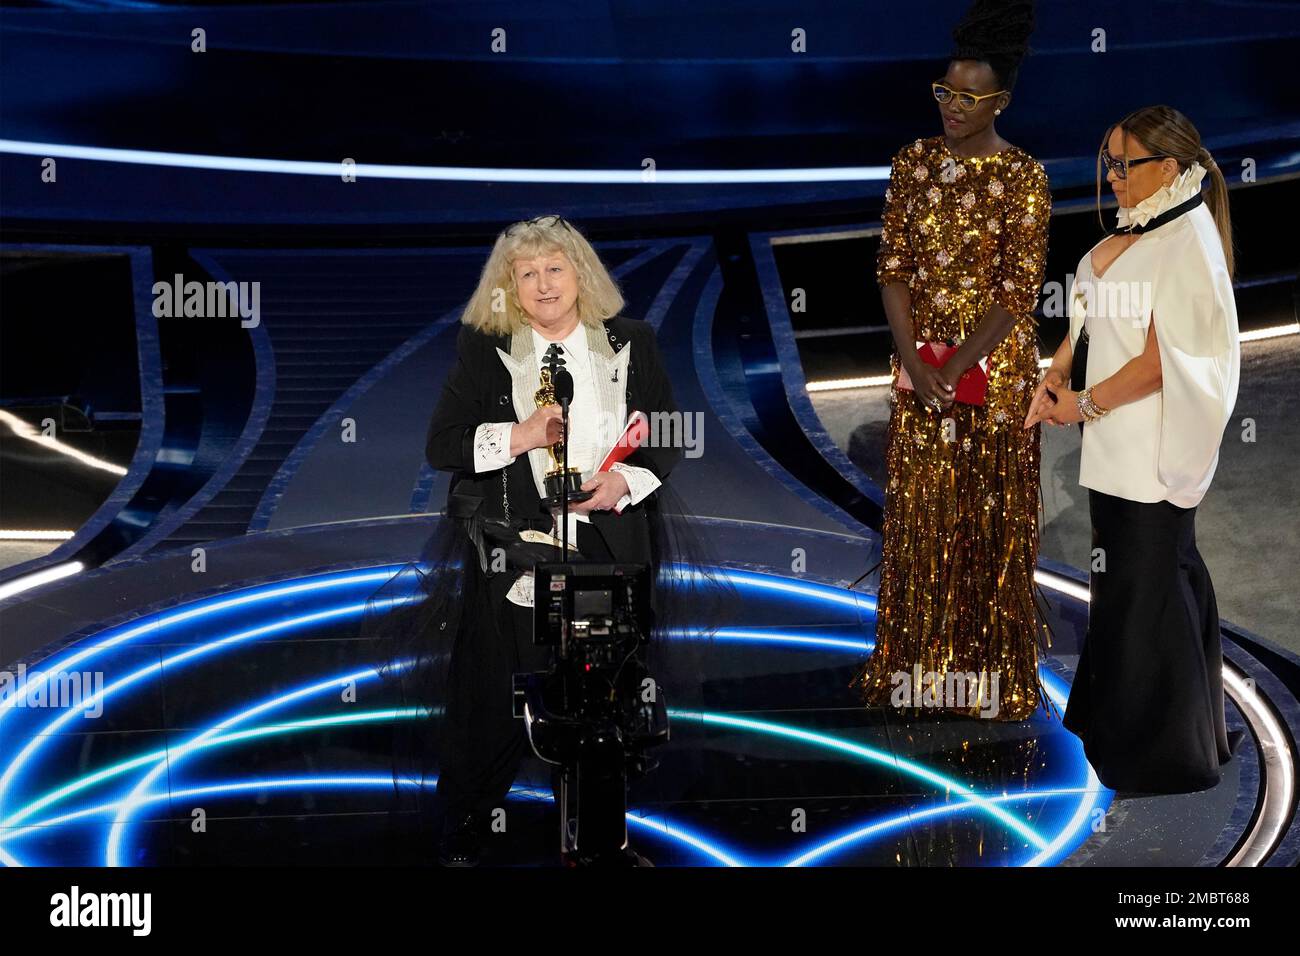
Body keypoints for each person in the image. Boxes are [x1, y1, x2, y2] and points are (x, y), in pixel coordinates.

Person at [365, 214, 728, 866]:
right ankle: (466, 833)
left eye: (553, 268)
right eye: (525, 273)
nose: (542, 283)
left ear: (579, 274)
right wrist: (520, 436)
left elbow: (667, 433)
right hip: (517, 551)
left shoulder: (632, 341)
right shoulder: (485, 348)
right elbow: (443, 445)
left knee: (604, 704)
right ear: (508, 289)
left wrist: (624, 480)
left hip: (611, 548)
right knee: (497, 698)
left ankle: (599, 842)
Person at [1024, 105, 1241, 793]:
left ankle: (1168, 757)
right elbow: (1087, 319)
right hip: (1117, 444)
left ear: (1169, 170)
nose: (1113, 177)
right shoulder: (1142, 227)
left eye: (1126, 165)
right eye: (1110, 164)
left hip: (1151, 448)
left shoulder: (1186, 240)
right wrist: (1055, 371)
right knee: (1140, 588)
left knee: (1151, 594)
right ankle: (1174, 736)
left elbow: (1159, 362)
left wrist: (1083, 404)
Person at [853, 0, 1056, 722]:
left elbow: (1017, 291)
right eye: (944, 92)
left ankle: (990, 679)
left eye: (968, 98)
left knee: (988, 525)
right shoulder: (912, 163)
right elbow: (894, 267)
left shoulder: (1025, 176)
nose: (952, 107)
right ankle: (919, 672)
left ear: (999, 102)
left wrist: (958, 363)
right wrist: (917, 362)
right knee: (922, 521)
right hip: (921, 378)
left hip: (993, 379)